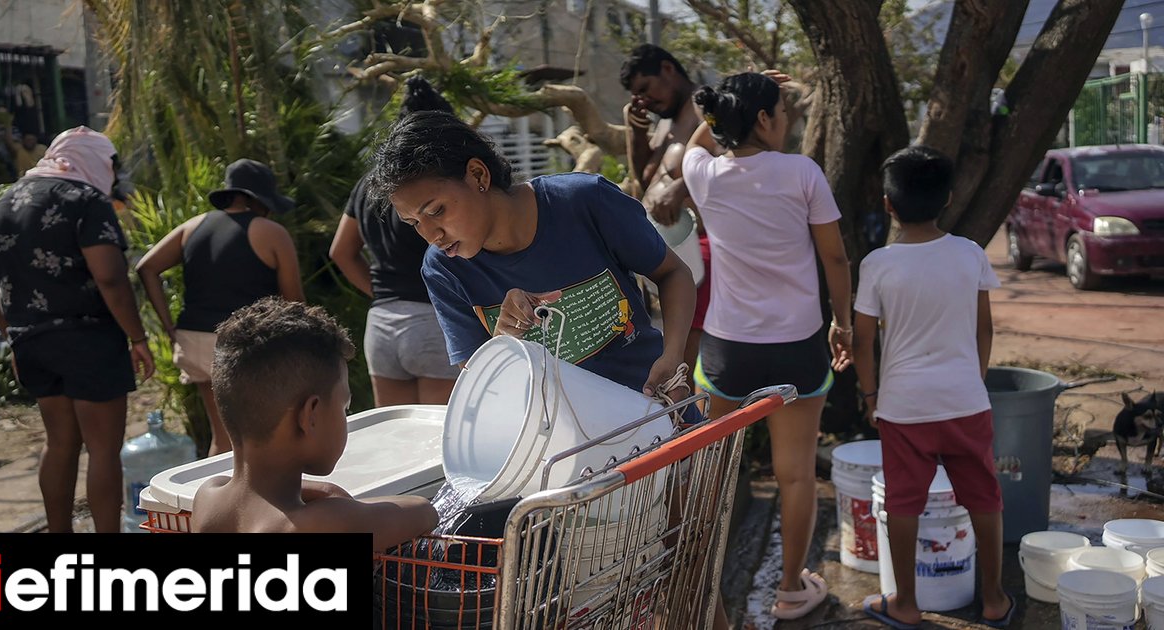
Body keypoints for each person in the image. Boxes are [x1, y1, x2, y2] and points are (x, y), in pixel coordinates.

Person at [366, 110, 696, 413]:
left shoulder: (584, 201)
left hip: (655, 410)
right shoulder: (443, 270)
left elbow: (672, 273)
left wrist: (672, 356)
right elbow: (482, 385)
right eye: (414, 223)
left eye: (436, 211)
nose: (431, 235)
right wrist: (504, 340)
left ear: (478, 175)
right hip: (565, 450)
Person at [682, 73, 854, 621]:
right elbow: (835, 259)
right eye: (781, 109)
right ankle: (789, 591)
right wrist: (842, 322)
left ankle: (697, 585)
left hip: (726, 351)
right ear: (764, 120)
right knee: (796, 473)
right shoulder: (802, 172)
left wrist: (724, 107)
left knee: (710, 472)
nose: (787, 118)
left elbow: (696, 141)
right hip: (797, 348)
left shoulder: (704, 175)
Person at [854, 146, 1012, 629]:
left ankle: (905, 603)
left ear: (888, 204)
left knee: (903, 502)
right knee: (983, 496)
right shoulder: (970, 254)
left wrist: (871, 397)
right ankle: (993, 600)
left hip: (903, 406)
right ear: (948, 198)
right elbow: (985, 329)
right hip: (965, 400)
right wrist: (975, 377)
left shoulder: (877, 264)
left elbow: (863, 342)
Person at [0, 126, 155, 533]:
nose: (112, 174)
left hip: (31, 339)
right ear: (92, 160)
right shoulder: (85, 199)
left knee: (59, 444)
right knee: (103, 449)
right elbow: (110, 278)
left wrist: (12, 337)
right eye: (110, 165)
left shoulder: (3, 202)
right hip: (88, 339)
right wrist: (138, 337)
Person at [191, 297, 438, 548]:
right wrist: (335, 498)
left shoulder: (208, 497)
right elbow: (423, 511)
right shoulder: (318, 523)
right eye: (345, 407)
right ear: (311, 416)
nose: (345, 417)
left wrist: (327, 491)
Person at [137, 158, 304, 456]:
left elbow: (146, 267)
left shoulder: (193, 225)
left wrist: (169, 326)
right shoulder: (270, 232)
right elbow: (294, 303)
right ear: (258, 200)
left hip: (195, 340)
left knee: (224, 439)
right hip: (245, 346)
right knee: (260, 439)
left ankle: (216, 503)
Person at [329, 77, 458, 407]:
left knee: (397, 442)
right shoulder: (435, 181)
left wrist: (384, 294)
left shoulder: (370, 183)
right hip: (432, 320)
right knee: (438, 441)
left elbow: (340, 251)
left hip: (382, 325)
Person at [620, 44, 707, 393]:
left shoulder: (706, 107)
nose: (645, 100)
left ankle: (691, 431)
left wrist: (683, 186)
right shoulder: (667, 122)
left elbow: (735, 161)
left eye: (646, 88)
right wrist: (636, 131)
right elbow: (643, 178)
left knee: (684, 364)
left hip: (701, 257)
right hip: (664, 253)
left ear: (668, 69)